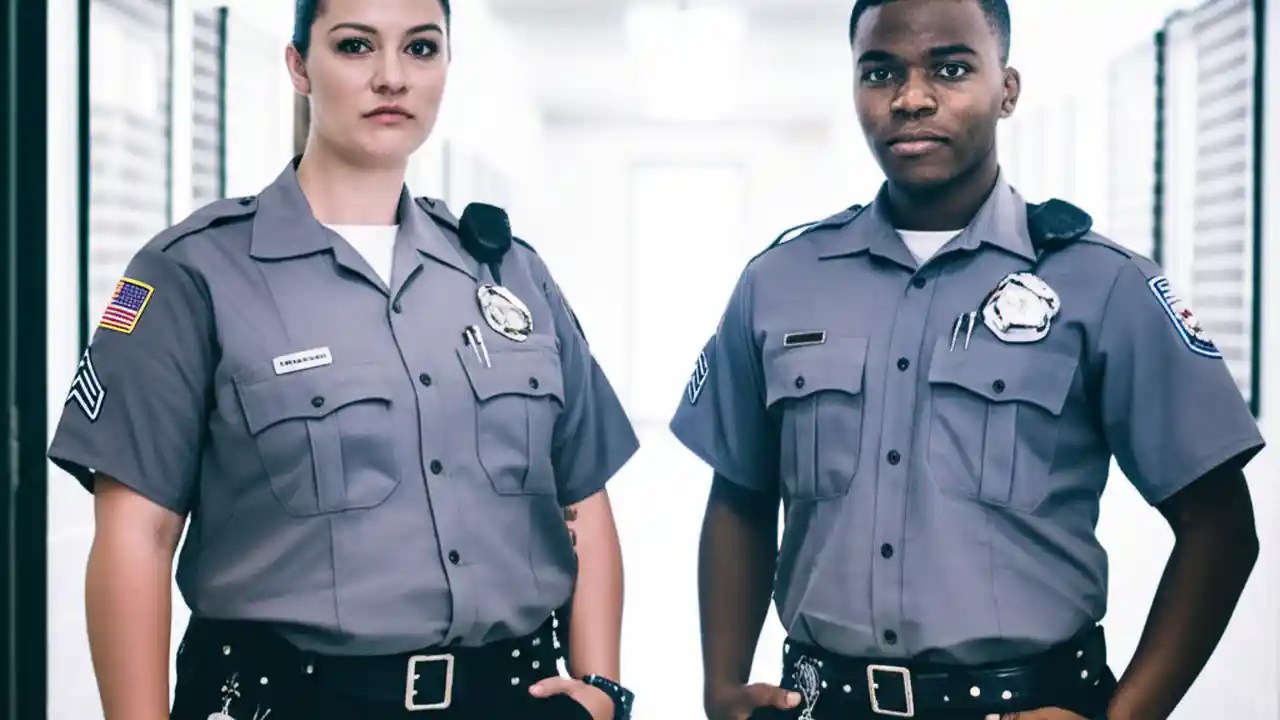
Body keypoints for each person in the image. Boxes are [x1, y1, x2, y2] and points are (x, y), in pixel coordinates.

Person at [670, 1, 1264, 719]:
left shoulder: (1104, 286)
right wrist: (721, 687)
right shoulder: (780, 282)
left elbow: (1221, 527)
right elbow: (740, 495)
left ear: (1006, 89)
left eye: (950, 69)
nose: (911, 97)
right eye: (880, 72)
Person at [48, 1, 640, 718]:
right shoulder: (196, 273)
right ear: (299, 66)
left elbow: (583, 497)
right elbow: (137, 536)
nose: (391, 77)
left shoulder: (508, 271)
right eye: (355, 46)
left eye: (421, 49)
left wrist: (601, 691)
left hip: (511, 695)